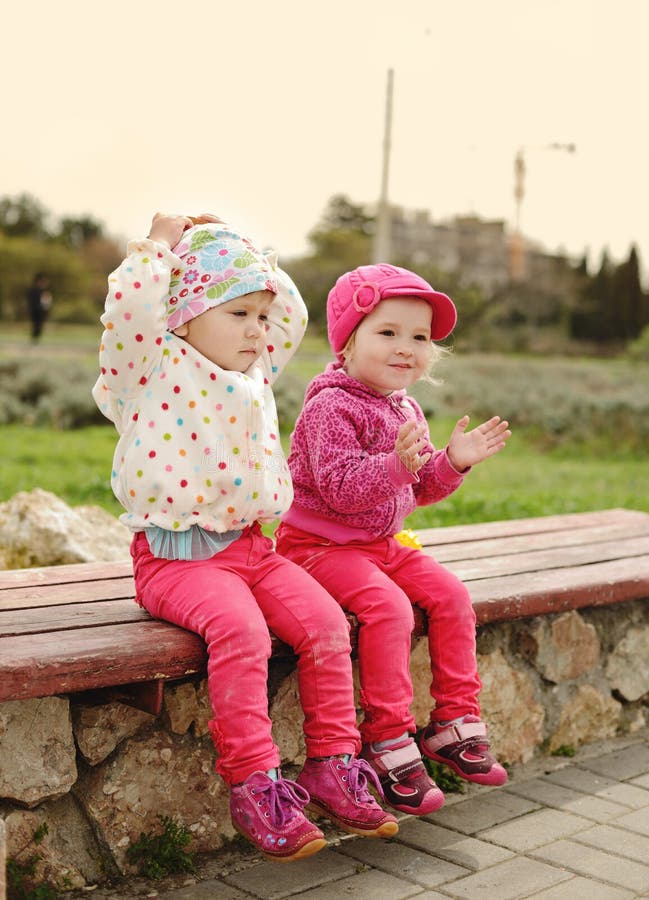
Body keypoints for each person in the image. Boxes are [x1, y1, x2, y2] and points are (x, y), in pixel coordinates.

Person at [92, 215, 398, 863]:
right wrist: (159, 249)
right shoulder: (147, 363)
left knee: (324, 626)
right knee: (245, 634)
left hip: (252, 551)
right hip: (176, 560)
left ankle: (332, 764)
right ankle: (255, 782)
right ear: (183, 313)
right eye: (240, 315)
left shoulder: (252, 369)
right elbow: (128, 311)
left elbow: (286, 310)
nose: (261, 331)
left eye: (262, 318)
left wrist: (250, 256)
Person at [275, 263, 511, 817]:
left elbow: (421, 486)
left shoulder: (405, 406)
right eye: (388, 332)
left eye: (420, 337)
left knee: (451, 594)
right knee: (388, 609)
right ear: (348, 341)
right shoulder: (329, 406)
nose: (407, 348)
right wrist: (397, 468)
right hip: (319, 547)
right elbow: (341, 489)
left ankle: (453, 721)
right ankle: (387, 739)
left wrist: (451, 462)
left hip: (382, 542)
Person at [26, 272, 53, 342]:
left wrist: (46, 309)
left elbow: (46, 302)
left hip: (41, 310)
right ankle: (34, 338)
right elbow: (30, 300)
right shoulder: (33, 290)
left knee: (39, 324)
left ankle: (36, 338)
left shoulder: (45, 291)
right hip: (35, 310)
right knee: (35, 324)